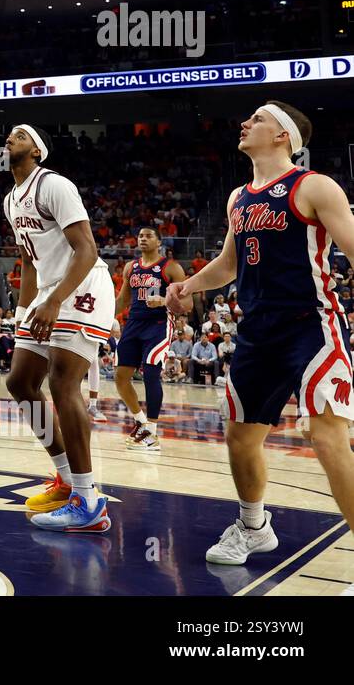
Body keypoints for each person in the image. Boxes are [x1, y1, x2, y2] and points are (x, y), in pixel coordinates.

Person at [167, 102, 354, 579]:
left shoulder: (313, 186)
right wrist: (188, 285)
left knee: (326, 433)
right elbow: (230, 266)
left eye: (258, 118)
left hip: (310, 323)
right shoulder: (237, 198)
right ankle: (254, 527)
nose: (245, 123)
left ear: (283, 136)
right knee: (240, 435)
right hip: (257, 329)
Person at [2, 124, 116, 533]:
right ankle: (66, 478)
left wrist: (53, 300)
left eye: (20, 134)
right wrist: (22, 310)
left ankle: (88, 501)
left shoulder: (54, 184)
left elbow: (87, 249)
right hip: (47, 291)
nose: (10, 138)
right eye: (9, 134)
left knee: (63, 383)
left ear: (37, 148)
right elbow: (29, 263)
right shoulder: (11, 199)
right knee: (19, 382)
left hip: (82, 285)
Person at [113, 228, 185, 451]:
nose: (143, 239)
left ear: (159, 242)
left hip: (159, 325)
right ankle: (141, 421)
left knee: (151, 372)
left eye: (148, 236)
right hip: (133, 324)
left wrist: (164, 301)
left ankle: (152, 434)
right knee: (120, 376)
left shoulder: (171, 267)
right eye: (140, 236)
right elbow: (122, 300)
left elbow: (187, 305)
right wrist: (98, 315)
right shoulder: (130, 267)